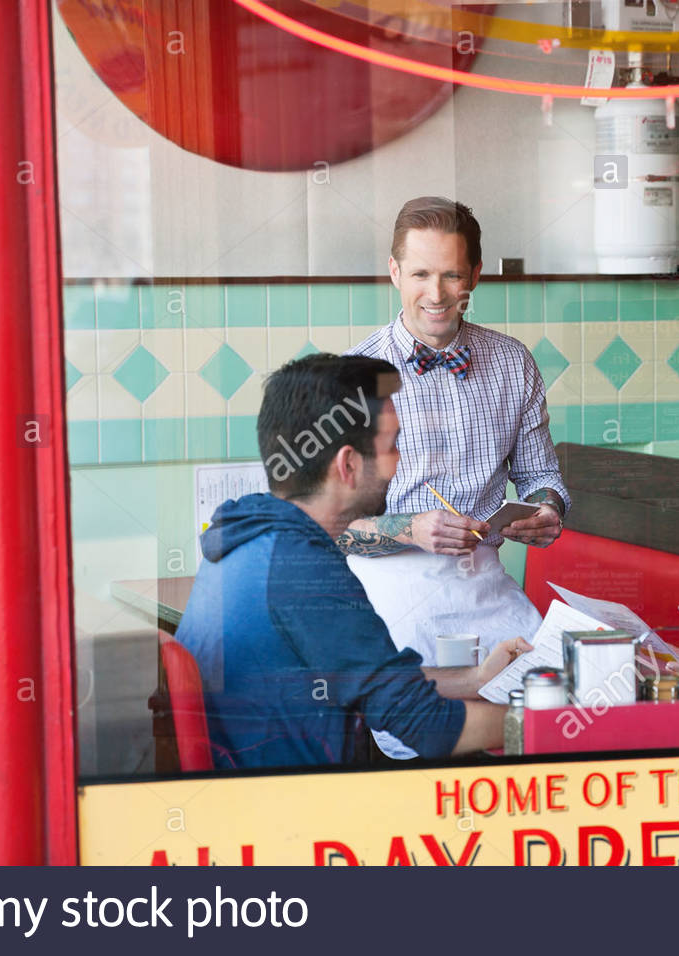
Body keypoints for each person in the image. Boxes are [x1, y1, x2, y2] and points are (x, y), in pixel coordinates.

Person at [173, 354, 530, 769]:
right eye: (392, 445)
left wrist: (476, 678)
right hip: (296, 800)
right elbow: (427, 726)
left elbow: (371, 679)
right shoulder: (301, 569)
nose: (399, 461)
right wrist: (560, 720)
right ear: (348, 465)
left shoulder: (252, 533)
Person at [341, 197, 570, 666]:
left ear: (475, 276)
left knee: (549, 688)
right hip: (385, 593)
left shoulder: (513, 362)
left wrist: (548, 509)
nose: (436, 294)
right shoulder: (352, 377)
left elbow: (540, 475)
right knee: (419, 708)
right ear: (394, 272)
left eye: (451, 275)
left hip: (486, 586)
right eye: (420, 274)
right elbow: (328, 527)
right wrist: (411, 530)